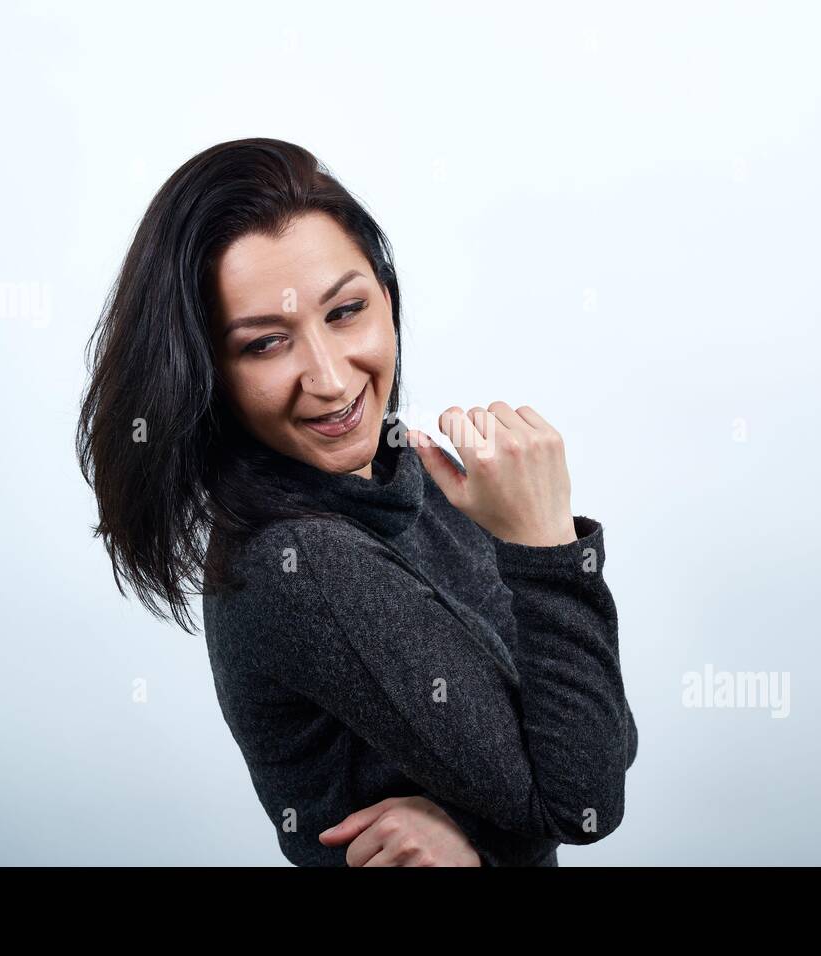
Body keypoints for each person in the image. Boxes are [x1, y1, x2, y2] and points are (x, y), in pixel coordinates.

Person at [76, 138, 638, 866]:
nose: (333, 380)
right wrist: (544, 547)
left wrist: (477, 833)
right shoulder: (297, 562)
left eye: (345, 311)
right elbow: (585, 801)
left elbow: (604, 741)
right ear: (207, 372)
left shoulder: (411, 475)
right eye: (265, 344)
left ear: (388, 298)